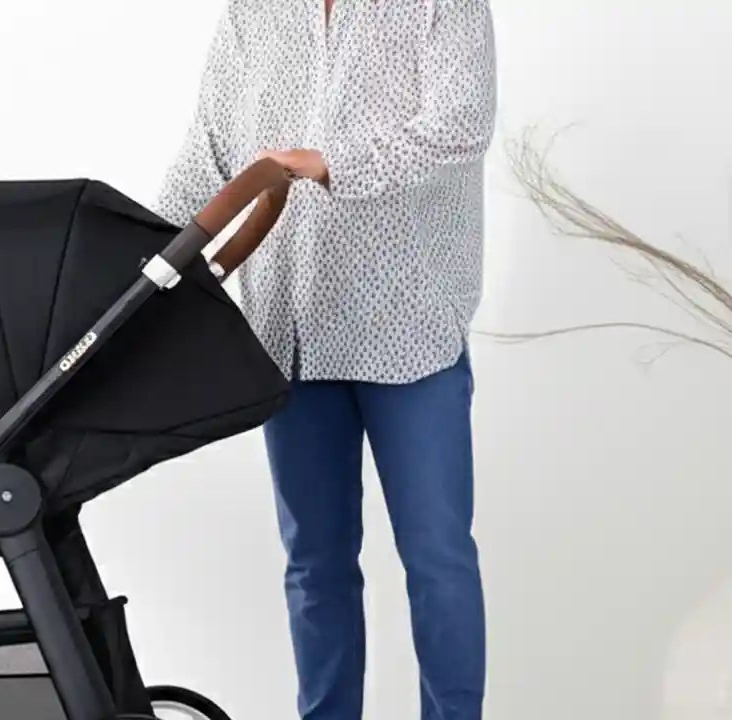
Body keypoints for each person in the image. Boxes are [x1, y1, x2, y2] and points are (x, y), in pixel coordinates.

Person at [154, 1, 498, 719]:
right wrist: (148, 260)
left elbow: (460, 127)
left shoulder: (444, 5)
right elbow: (210, 150)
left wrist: (331, 164)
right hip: (291, 328)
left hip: (409, 327)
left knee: (438, 560)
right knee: (314, 567)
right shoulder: (254, 14)